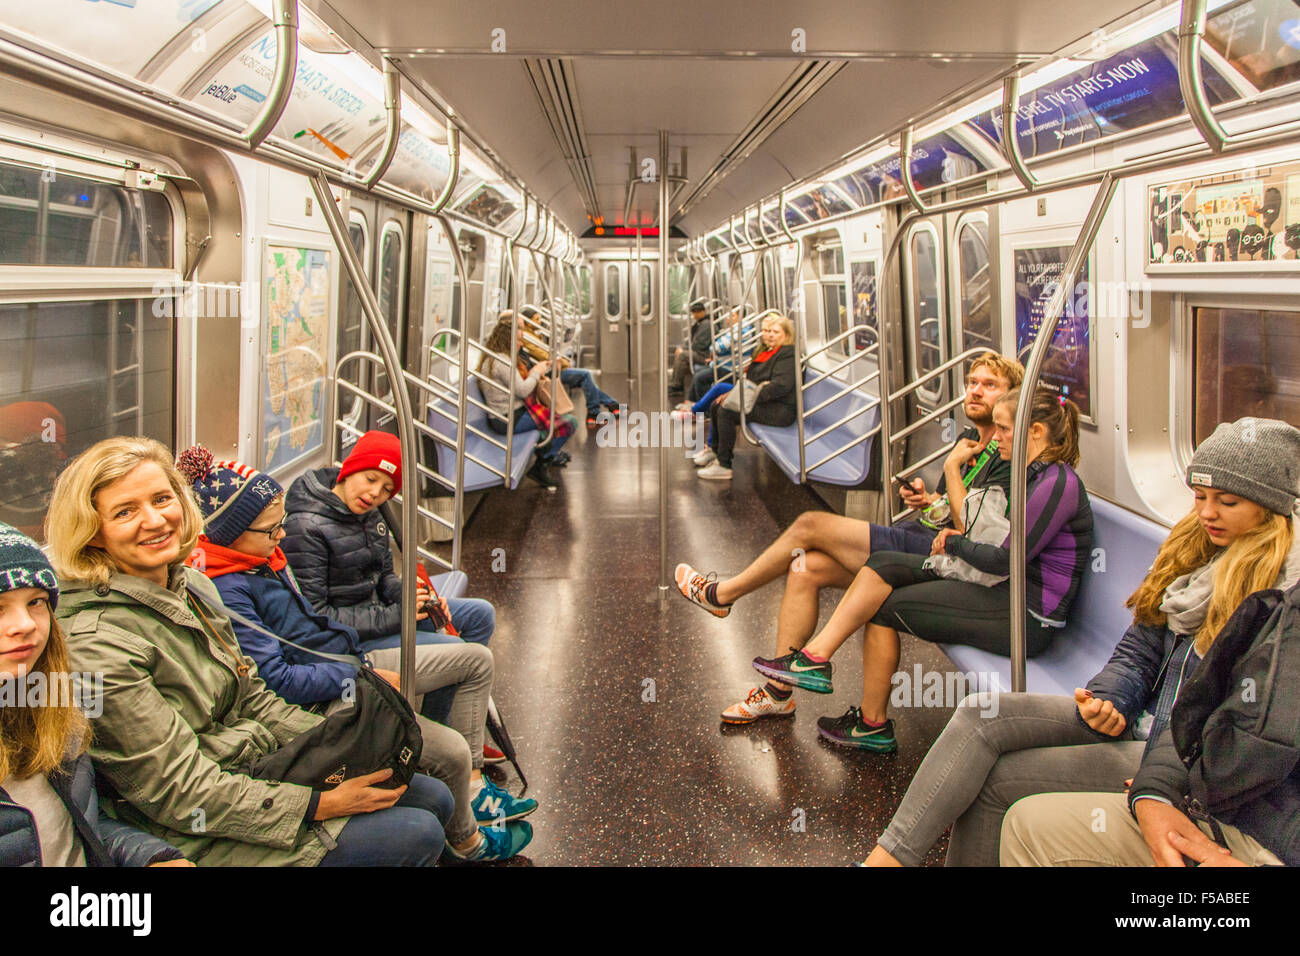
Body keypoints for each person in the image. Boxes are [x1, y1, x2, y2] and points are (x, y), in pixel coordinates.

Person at [852, 416, 1300, 866]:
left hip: (1177, 756)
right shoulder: (1193, 552)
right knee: (980, 717)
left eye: (1227, 501)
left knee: (998, 783)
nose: (1206, 513)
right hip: (1137, 720)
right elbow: (1140, 649)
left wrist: (1160, 780)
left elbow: (1238, 729)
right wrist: (1111, 697)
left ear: (1270, 507)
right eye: (1200, 497)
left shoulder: (1278, 597)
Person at [46, 436, 455, 866]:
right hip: (197, 823)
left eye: (162, 499)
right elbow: (179, 790)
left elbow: (254, 697)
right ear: (91, 531)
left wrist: (341, 746)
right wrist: (317, 804)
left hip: (257, 764)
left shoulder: (193, 587)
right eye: (126, 511)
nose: (154, 520)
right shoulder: (97, 644)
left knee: (433, 796)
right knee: (418, 832)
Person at [178, 448, 533, 861]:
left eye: (386, 489)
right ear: (234, 530)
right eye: (271, 530)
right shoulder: (234, 584)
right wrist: (365, 664)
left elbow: (373, 584)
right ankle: (469, 836)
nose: (281, 538)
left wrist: (411, 599)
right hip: (333, 680)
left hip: (343, 659)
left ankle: (462, 797)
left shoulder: (264, 558)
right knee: (451, 746)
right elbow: (277, 675)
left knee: (471, 649)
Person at [675, 351, 1023, 724]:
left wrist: (951, 470)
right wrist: (929, 501)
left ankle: (722, 594)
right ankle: (778, 695)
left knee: (810, 525)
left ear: (1010, 397)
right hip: (923, 535)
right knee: (806, 567)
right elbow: (951, 511)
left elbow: (974, 531)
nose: (976, 391)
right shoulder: (970, 438)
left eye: (989, 386)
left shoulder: (1006, 455)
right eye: (972, 383)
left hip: (942, 556)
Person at [753, 387, 1093, 754]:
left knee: (883, 607)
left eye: (1004, 429)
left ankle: (871, 726)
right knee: (882, 564)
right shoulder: (1031, 475)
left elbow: (1004, 559)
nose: (996, 438)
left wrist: (952, 542)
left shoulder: (1057, 484)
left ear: (1036, 431)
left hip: (1026, 616)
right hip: (1000, 590)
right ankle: (815, 658)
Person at [1001, 577, 1300, 868]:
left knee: (1007, 783)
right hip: (1177, 757)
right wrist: (1111, 700)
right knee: (988, 723)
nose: (1209, 521)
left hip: (1194, 776)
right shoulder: (1187, 560)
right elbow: (1144, 658)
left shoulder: (1275, 578)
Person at [0, 522, 190, 867]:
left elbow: (79, 829)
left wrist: (152, 857)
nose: (25, 624)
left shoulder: (44, 703)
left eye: (36, 602)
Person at [691, 314, 797, 481]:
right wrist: (734, 394)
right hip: (763, 400)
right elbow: (753, 380)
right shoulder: (764, 351)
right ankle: (715, 450)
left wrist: (745, 396)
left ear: (786, 335)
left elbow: (779, 387)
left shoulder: (787, 355)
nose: (770, 335)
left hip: (780, 409)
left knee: (726, 412)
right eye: (766, 331)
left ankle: (724, 465)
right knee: (716, 405)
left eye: (775, 332)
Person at [477, 313, 576, 489]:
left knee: (551, 427)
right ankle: (542, 464)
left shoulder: (498, 358)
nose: (521, 345)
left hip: (511, 412)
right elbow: (522, 390)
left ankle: (546, 454)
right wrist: (536, 372)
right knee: (568, 423)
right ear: (508, 340)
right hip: (506, 418)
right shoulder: (502, 362)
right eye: (519, 341)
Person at [518, 307, 620, 428]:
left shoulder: (533, 335)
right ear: (528, 322)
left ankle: (608, 406)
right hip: (548, 372)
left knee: (586, 380)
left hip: (550, 368)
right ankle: (596, 412)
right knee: (585, 375)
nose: (540, 322)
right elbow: (542, 355)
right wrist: (565, 362)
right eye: (537, 319)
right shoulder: (526, 338)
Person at [670, 300, 714, 395]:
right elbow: (692, 340)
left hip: (704, 355)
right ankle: (676, 383)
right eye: (694, 312)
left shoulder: (706, 324)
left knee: (682, 356)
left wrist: (685, 349)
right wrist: (682, 347)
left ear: (703, 312)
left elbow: (700, 344)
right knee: (681, 353)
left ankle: (677, 386)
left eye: (698, 312)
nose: (695, 315)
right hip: (700, 352)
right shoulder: (699, 324)